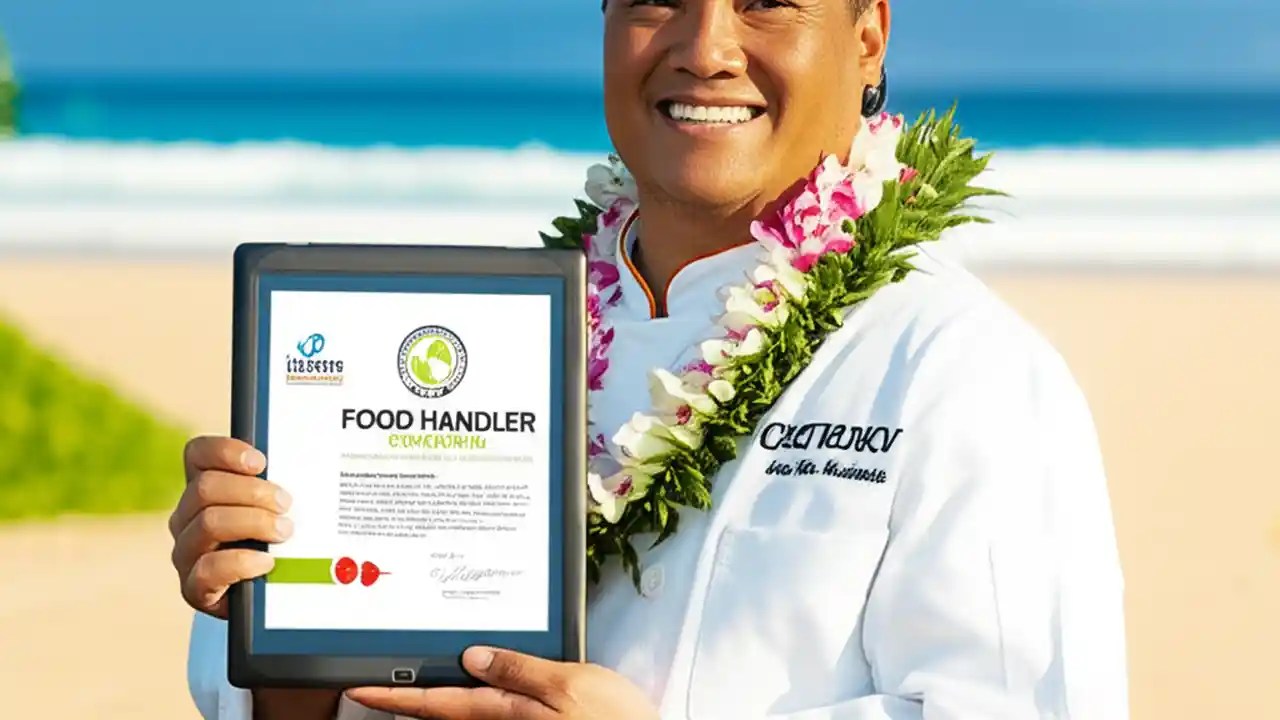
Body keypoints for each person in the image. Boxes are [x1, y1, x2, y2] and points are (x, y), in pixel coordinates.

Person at [174, 1, 1130, 718]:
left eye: (766, 0)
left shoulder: (962, 371)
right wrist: (264, 613)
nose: (705, 49)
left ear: (869, 35)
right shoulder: (490, 339)